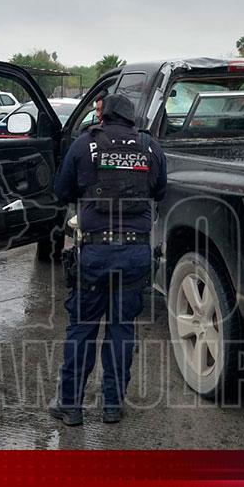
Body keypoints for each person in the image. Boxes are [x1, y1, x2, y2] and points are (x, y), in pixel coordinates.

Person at [49, 93, 167, 425]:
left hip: (95, 255)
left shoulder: (84, 144)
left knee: (82, 329)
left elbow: (61, 192)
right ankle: (112, 405)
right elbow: (160, 191)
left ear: (104, 116)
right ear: (131, 118)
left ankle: (70, 407)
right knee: (121, 329)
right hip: (134, 255)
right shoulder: (150, 147)